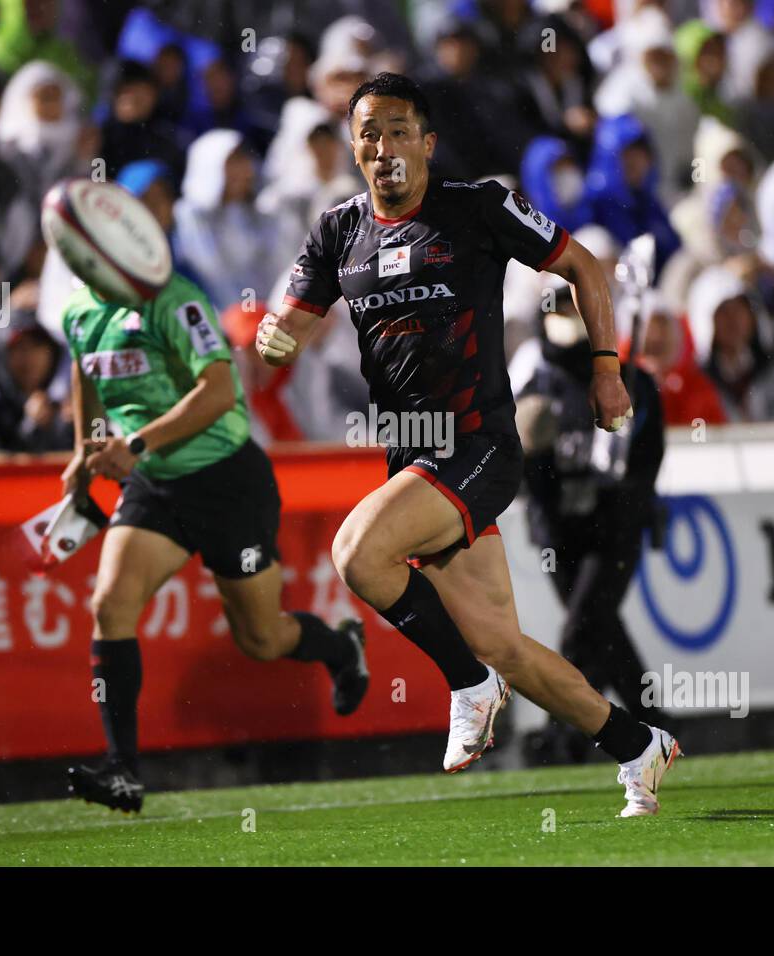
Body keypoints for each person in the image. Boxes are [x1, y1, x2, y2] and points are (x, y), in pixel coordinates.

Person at [258, 73, 681, 817]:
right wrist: (272, 336)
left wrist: (606, 368)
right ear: (353, 148)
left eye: (397, 129)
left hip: (479, 445)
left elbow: (584, 267)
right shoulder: (336, 230)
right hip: (411, 458)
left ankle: (466, 685)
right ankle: (638, 746)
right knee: (506, 646)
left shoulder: (478, 207)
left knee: (357, 553)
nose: (382, 145)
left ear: (427, 141)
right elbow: (286, 330)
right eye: (368, 132)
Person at [51, 194, 370, 814]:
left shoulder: (178, 302)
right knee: (110, 604)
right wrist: (83, 450)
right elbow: (84, 374)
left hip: (227, 481)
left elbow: (220, 392)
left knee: (262, 637)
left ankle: (339, 647)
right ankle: (123, 770)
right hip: (155, 484)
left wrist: (135, 442)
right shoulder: (80, 313)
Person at [511, 276, 670, 764]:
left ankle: (563, 733)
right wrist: (532, 454)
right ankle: (655, 724)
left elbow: (648, 456)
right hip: (559, 534)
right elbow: (516, 475)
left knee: (583, 629)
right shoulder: (532, 385)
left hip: (613, 531)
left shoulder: (629, 383)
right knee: (603, 631)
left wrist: (619, 487)